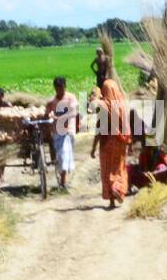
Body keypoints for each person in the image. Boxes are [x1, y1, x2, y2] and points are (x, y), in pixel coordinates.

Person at [89, 77, 131, 209]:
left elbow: (99, 127)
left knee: (107, 171)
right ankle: (119, 189)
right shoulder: (122, 104)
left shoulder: (104, 105)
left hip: (106, 144)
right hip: (120, 143)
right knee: (119, 168)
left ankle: (112, 197)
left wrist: (93, 147)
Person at [45, 76, 79, 190]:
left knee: (66, 154)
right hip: (57, 132)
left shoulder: (71, 98)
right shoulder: (52, 101)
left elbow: (73, 113)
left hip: (69, 130)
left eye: (61, 88)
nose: (59, 90)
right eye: (57, 88)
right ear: (54, 88)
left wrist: (59, 117)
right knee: (61, 155)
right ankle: (63, 179)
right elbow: (47, 113)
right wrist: (49, 115)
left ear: (65, 87)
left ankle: (63, 178)